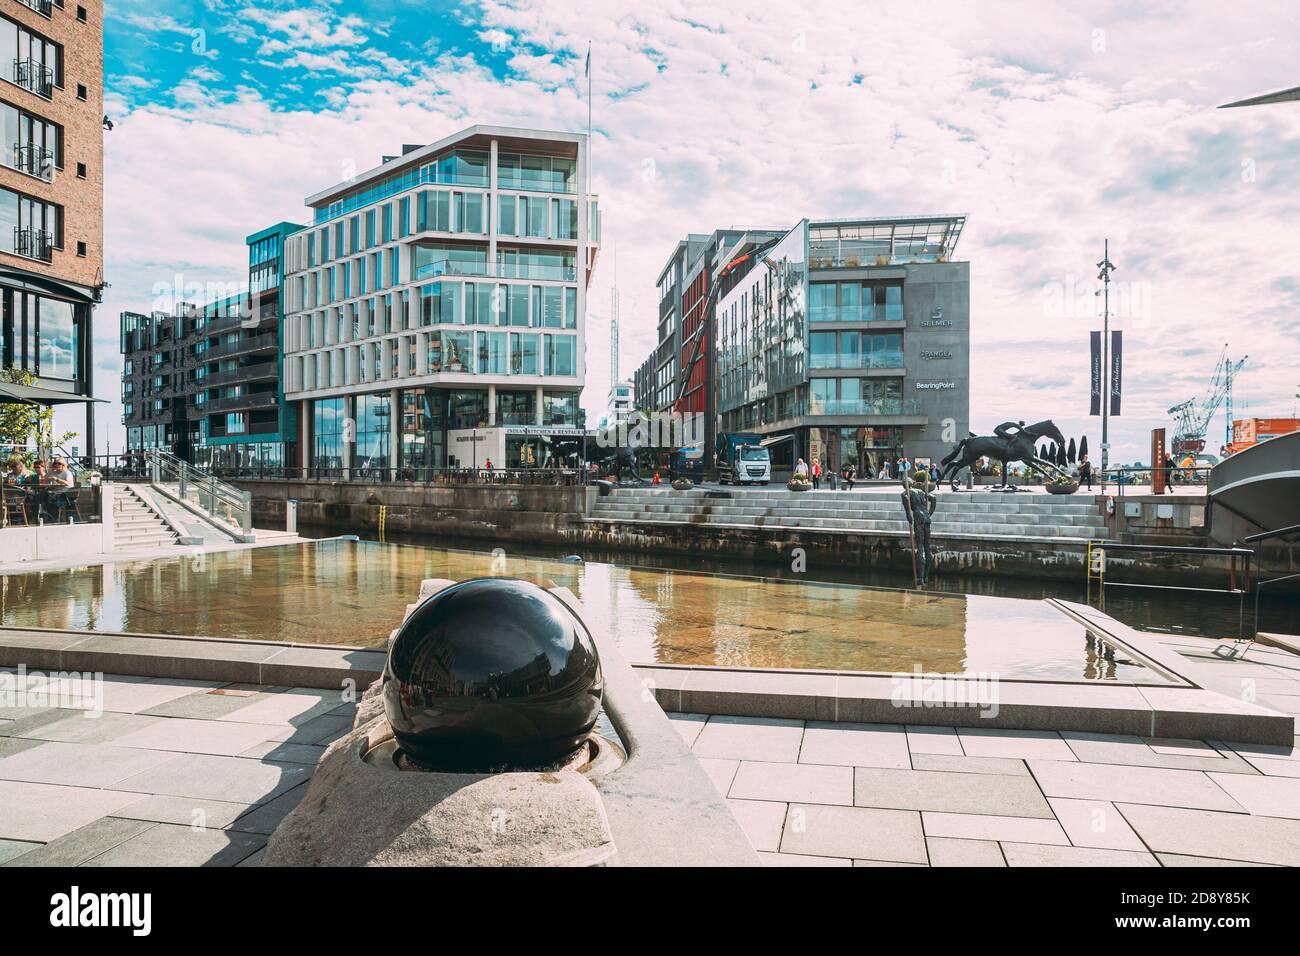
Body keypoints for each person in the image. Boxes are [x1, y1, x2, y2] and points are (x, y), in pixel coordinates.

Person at [901, 468, 938, 588]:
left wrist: (910, 518)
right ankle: (926, 576)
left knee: (921, 547)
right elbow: (933, 498)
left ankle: (921, 578)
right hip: (926, 517)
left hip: (918, 518)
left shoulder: (905, 494)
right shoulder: (920, 491)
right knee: (927, 546)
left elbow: (908, 511)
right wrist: (930, 513)